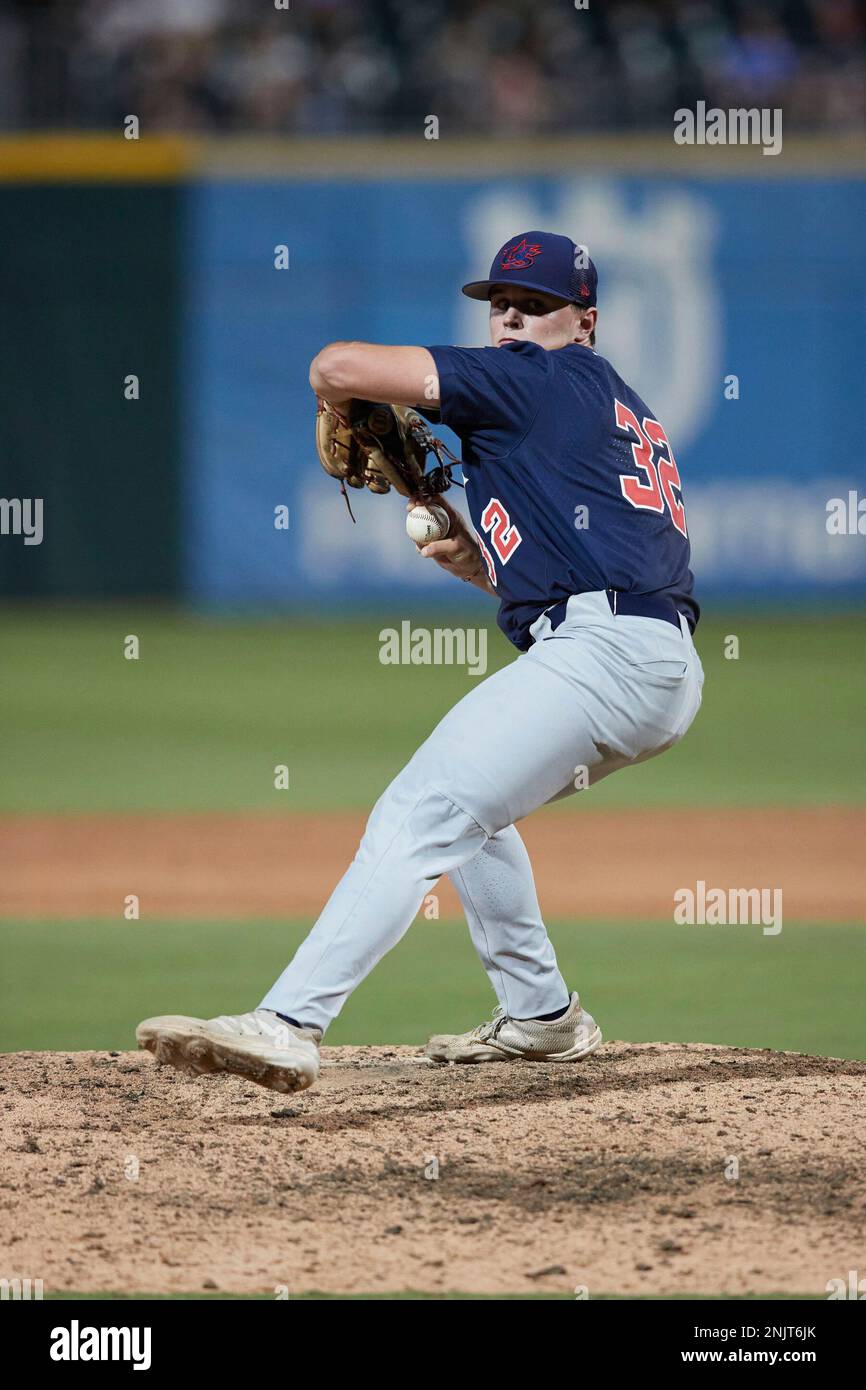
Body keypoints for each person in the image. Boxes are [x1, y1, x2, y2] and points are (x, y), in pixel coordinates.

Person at [137, 230, 704, 1094]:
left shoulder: (529, 376)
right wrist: (475, 554)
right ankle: (542, 1014)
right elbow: (572, 570)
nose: (512, 317)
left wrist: (344, 401)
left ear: (584, 322)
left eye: (538, 305)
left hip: (611, 651)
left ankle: (289, 1023)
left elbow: (337, 365)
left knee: (422, 805)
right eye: (501, 303)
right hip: (637, 653)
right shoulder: (602, 401)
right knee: (477, 808)